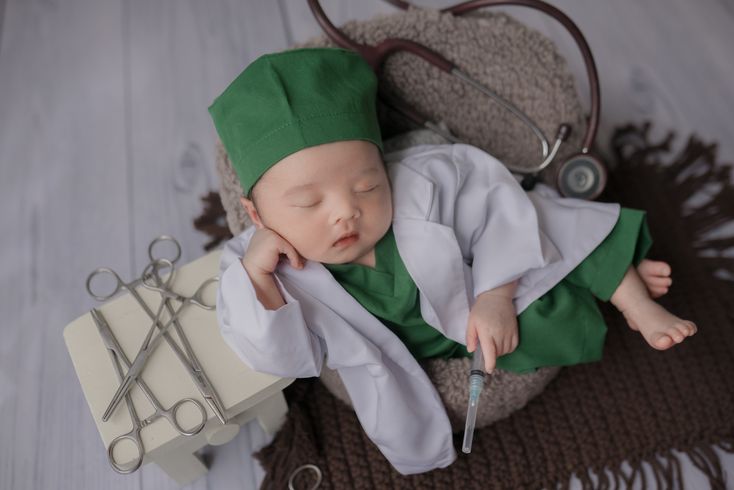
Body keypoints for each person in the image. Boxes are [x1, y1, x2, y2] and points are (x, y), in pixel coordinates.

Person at [208, 47, 697, 475]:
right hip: (443, 336)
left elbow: (498, 207)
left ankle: (625, 290)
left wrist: (495, 293)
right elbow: (279, 355)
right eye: (309, 203)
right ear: (257, 214)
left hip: (480, 279)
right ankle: (602, 283)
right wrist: (258, 277)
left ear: (383, 165)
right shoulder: (255, 267)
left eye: (366, 186)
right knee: (542, 332)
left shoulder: (425, 177)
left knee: (548, 220)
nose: (345, 212)